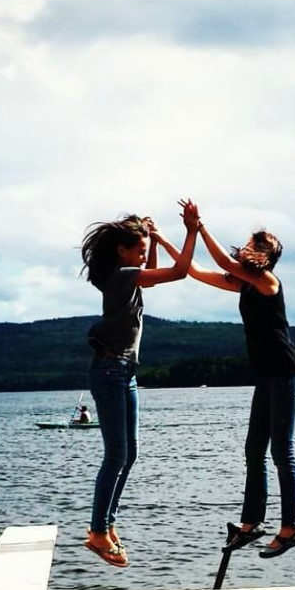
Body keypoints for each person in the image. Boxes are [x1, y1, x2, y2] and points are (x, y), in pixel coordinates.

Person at [156, 202, 295, 558]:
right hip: (266, 377)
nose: (249, 250)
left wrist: (201, 226)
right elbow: (194, 270)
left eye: (258, 247)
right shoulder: (245, 285)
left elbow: (224, 262)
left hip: (286, 374)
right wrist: (164, 239)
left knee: (281, 452)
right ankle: (251, 524)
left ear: (268, 258)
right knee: (254, 451)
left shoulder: (267, 281)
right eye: (249, 244)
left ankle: (292, 528)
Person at [80, 201, 200, 566]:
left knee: (129, 454)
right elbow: (179, 272)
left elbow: (154, 270)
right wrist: (188, 231)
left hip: (125, 373)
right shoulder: (121, 277)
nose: (144, 255)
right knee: (115, 455)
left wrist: (152, 239)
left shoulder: (127, 273)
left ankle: (106, 525)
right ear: (122, 251)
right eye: (139, 249)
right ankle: (98, 532)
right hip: (110, 371)